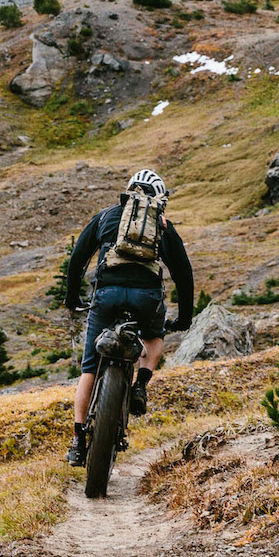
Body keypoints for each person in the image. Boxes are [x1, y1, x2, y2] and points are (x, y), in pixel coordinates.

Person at [63, 168, 194, 466]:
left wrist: (72, 298)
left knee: (89, 368)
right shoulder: (163, 225)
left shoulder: (106, 216)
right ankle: (140, 385)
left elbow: (78, 260)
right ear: (160, 198)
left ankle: (79, 441)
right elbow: (184, 275)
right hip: (146, 298)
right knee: (154, 337)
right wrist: (184, 318)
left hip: (106, 295)